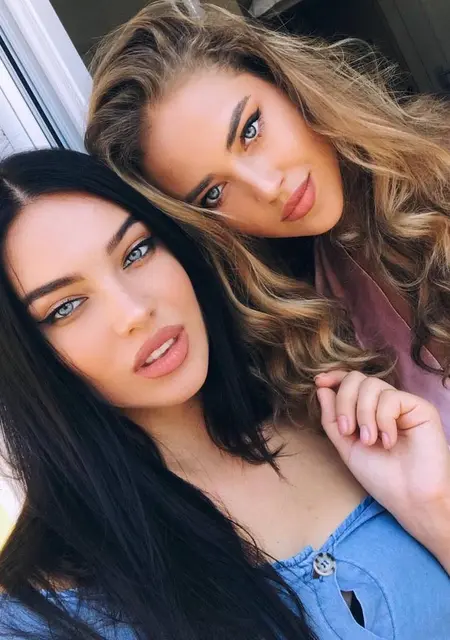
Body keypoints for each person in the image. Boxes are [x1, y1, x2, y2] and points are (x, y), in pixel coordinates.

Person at [0, 148, 449, 640]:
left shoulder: (335, 420)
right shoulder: (41, 615)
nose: (133, 311)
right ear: (25, 361)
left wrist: (435, 506)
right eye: (66, 307)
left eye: (136, 252)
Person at [85, 1, 450, 437]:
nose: (266, 186)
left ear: (285, 83)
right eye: (213, 193)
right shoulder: (314, 331)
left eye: (250, 130)